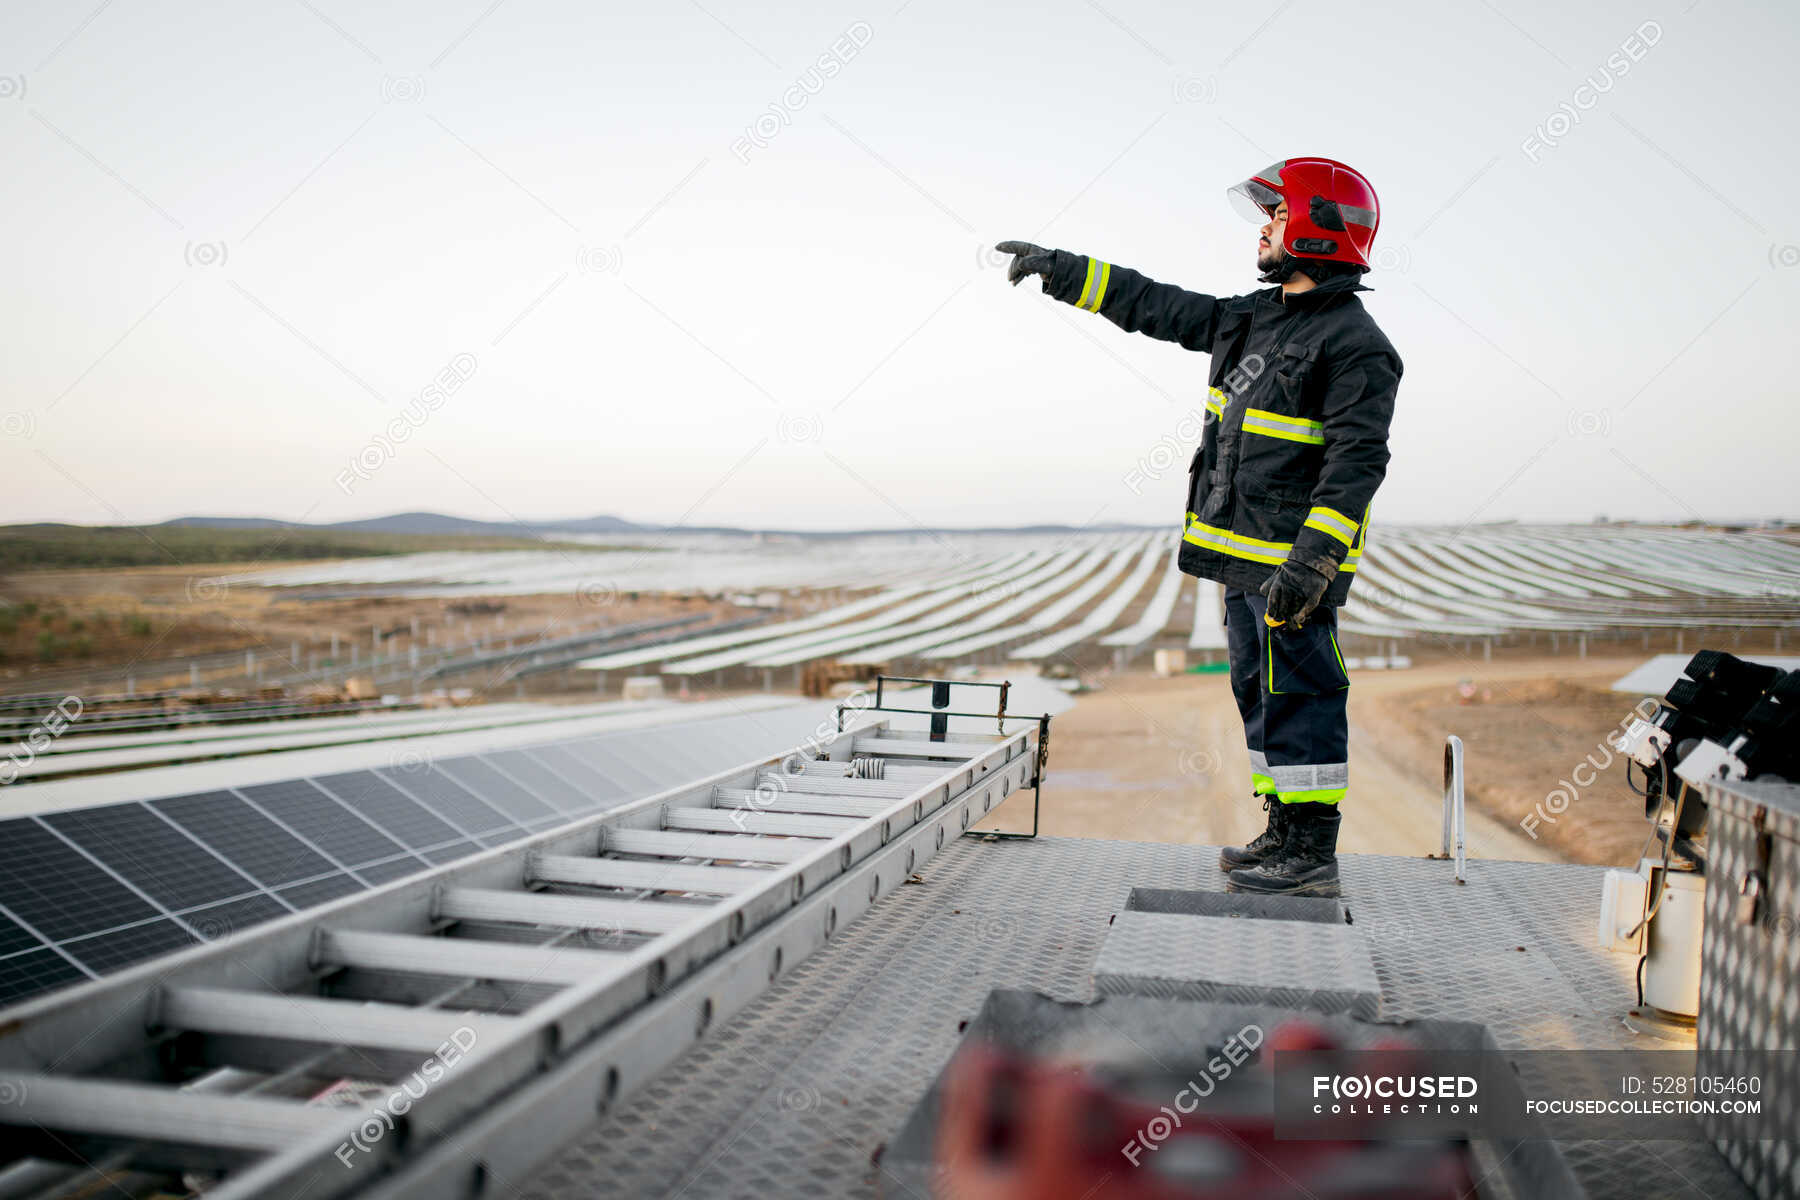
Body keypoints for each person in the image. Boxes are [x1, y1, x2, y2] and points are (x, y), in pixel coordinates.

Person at [996, 158, 1401, 897]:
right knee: (1258, 693)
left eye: (1277, 216)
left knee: (1302, 697)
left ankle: (1312, 850)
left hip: (1290, 571)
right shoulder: (1253, 317)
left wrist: (1312, 565)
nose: (1264, 229)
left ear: (1316, 228)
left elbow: (1356, 464)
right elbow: (1155, 304)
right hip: (1243, 566)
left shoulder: (1356, 344)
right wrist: (1063, 271)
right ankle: (1282, 828)